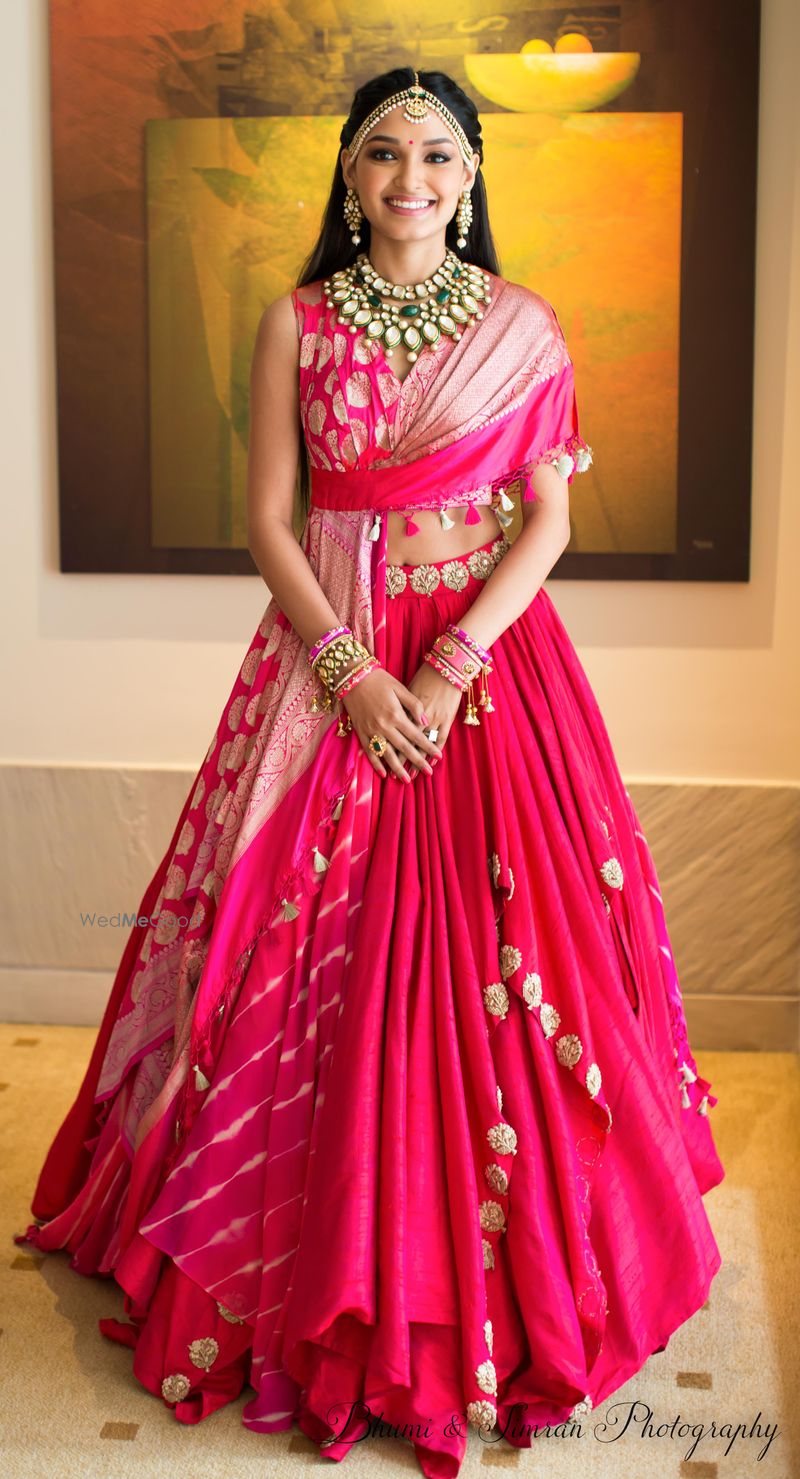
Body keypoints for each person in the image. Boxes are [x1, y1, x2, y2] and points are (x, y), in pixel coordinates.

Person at [15, 66, 724, 1479]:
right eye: (387, 153)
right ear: (349, 174)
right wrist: (348, 672)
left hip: (486, 666)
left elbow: (545, 525)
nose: (414, 179)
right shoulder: (298, 320)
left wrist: (450, 664)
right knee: (294, 944)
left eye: (440, 155)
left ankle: (508, 1274)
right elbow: (270, 522)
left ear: (472, 178)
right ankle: (296, 1246)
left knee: (512, 952)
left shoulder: (524, 327)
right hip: (330, 655)